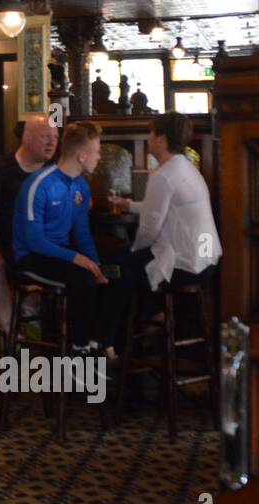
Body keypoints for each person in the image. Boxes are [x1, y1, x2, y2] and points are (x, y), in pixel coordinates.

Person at [12, 121, 112, 356]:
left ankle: (99, 340)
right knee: (84, 279)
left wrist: (95, 263)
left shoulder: (81, 186)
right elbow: (34, 241)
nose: (99, 157)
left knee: (112, 273)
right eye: (97, 152)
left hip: (61, 252)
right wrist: (78, 258)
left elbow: (82, 232)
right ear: (81, 156)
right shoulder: (39, 184)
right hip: (31, 257)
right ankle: (79, 348)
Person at [113, 112, 221, 323]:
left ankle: (144, 322)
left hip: (187, 265)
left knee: (121, 264)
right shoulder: (186, 168)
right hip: (207, 258)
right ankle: (153, 315)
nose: (149, 138)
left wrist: (135, 249)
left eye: (151, 133)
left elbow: (148, 231)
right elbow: (162, 207)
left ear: (161, 140)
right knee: (132, 261)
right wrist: (130, 205)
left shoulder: (163, 175)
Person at [0, 113, 58, 338]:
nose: (52, 142)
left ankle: (41, 323)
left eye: (55, 137)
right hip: (2, 242)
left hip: (39, 245)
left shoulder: (53, 171)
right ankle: (16, 337)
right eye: (45, 136)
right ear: (27, 138)